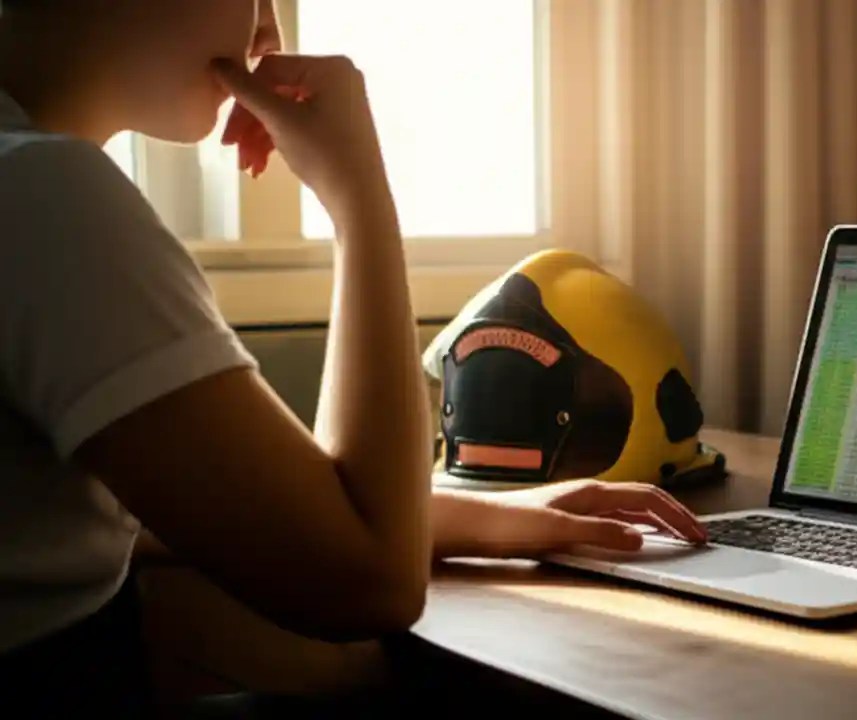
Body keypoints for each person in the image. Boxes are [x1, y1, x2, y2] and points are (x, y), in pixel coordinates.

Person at [0, 0, 707, 716]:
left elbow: (171, 516)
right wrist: (358, 196)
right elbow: (372, 586)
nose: (270, 31)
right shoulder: (45, 197)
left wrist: (492, 517)